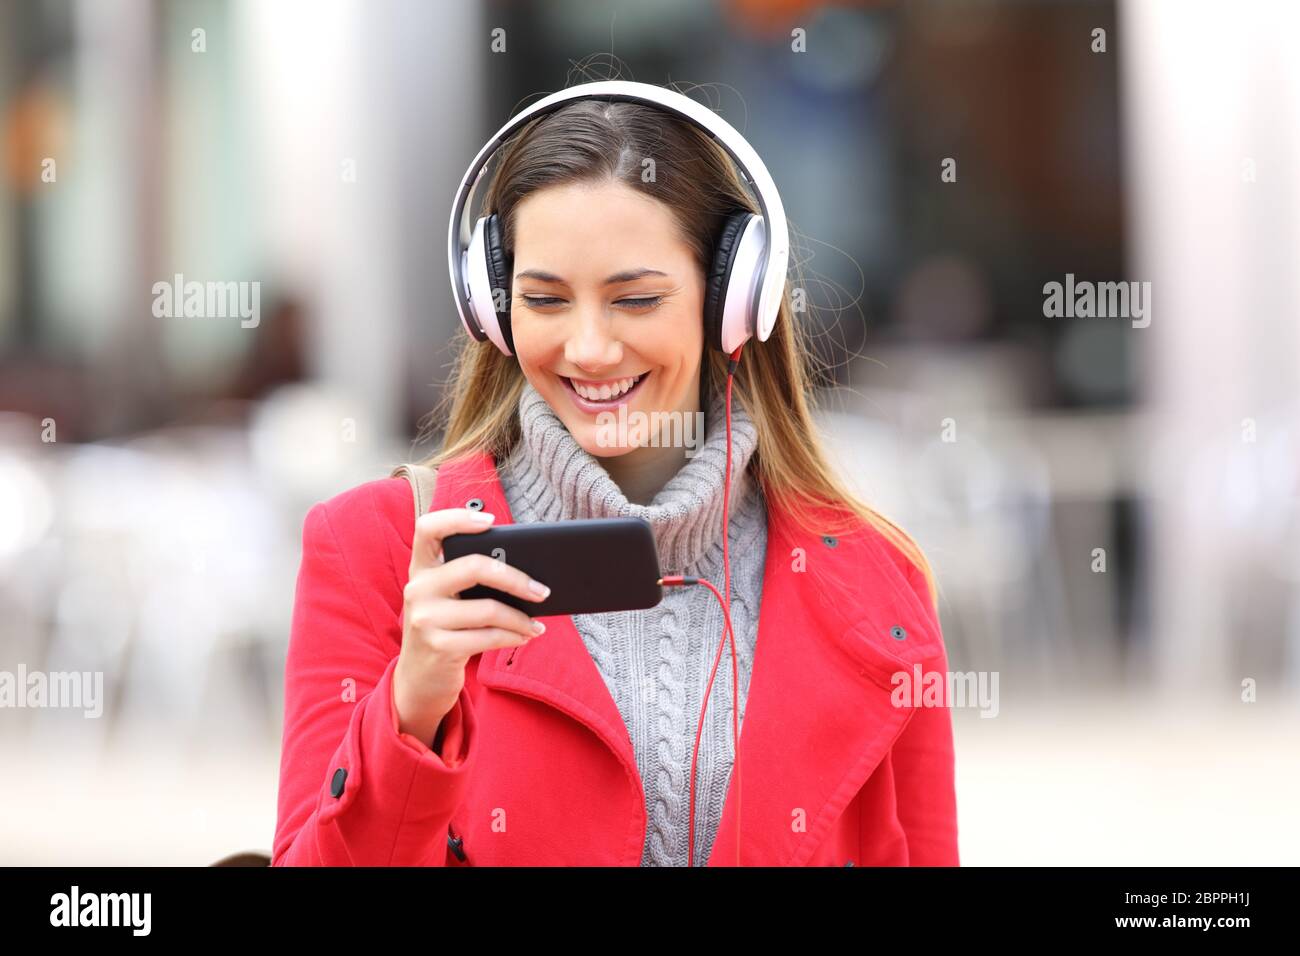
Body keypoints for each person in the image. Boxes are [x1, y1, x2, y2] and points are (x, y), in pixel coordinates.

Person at [272, 81, 958, 867]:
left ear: (732, 299)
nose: (590, 349)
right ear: (493, 311)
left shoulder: (876, 581)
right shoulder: (376, 550)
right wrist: (410, 707)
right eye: (544, 299)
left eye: (634, 299)